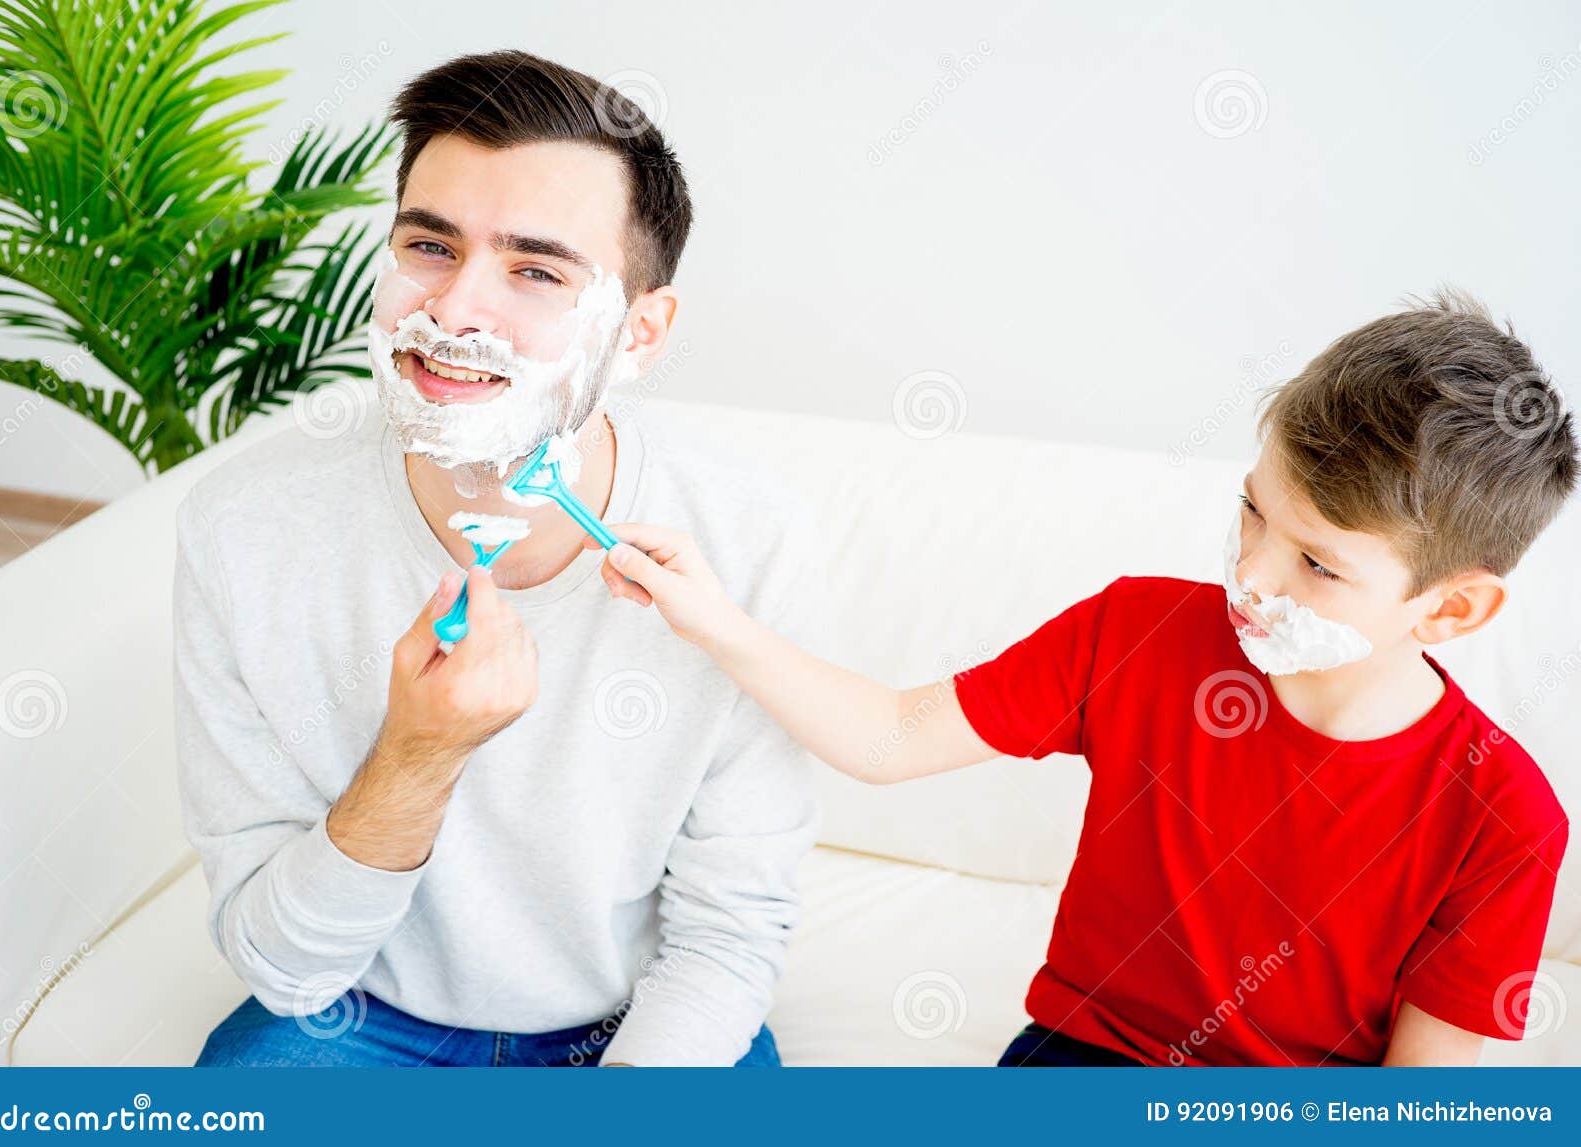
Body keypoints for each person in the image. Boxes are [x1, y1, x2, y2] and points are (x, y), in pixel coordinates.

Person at [592, 292, 1576, 1065]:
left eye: (1317, 565)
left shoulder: (1506, 817)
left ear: (1449, 610)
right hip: (1083, 1060)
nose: (1250, 575)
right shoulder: (1140, 630)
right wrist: (713, 618)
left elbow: (1429, 1100)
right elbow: (890, 735)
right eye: (1250, 514)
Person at [175, 50, 817, 1068]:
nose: (455, 309)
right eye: (430, 245)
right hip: (349, 1022)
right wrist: (416, 755)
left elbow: (724, 937)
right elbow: (284, 968)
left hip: (631, 1024)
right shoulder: (246, 528)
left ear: (640, 334)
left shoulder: (746, 542)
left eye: (534, 269)